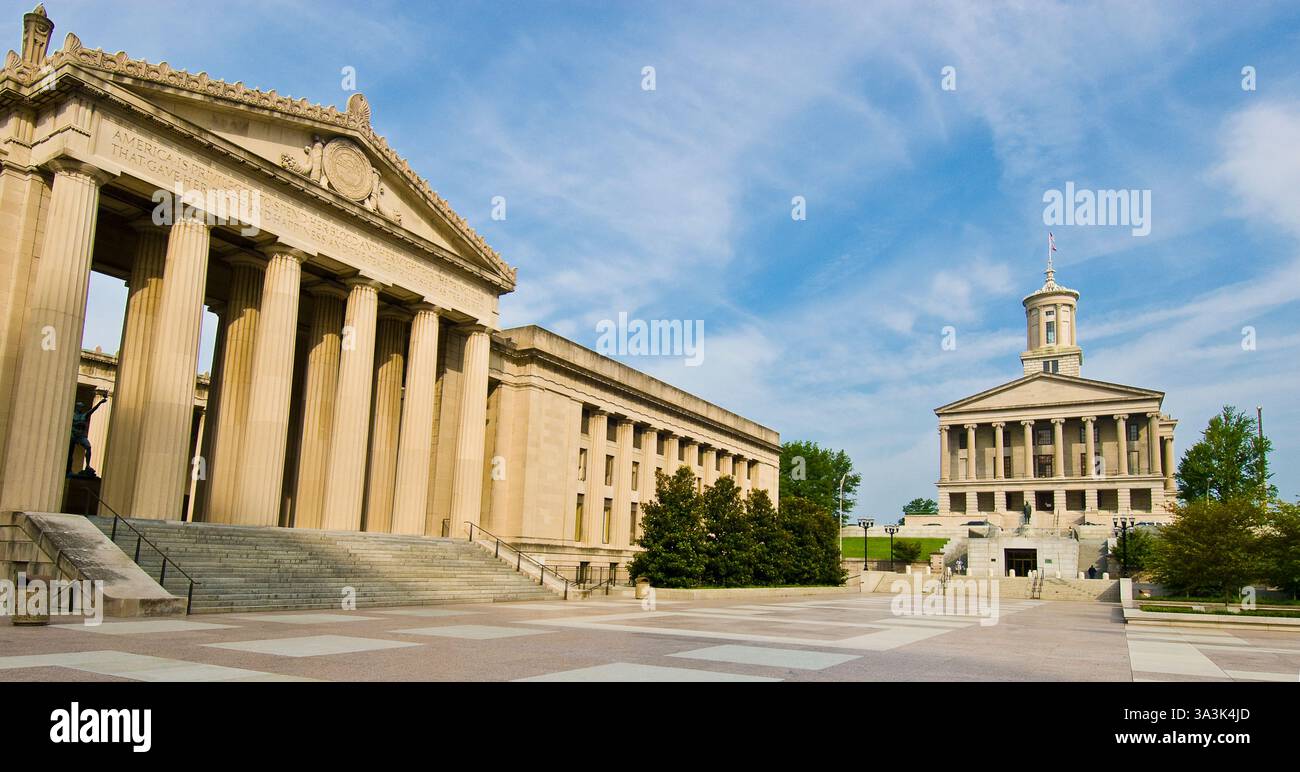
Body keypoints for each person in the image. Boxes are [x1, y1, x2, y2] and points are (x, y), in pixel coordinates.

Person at [67, 396, 107, 477]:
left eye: (81, 407)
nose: (80, 408)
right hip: (73, 435)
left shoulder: (84, 415)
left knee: (88, 447)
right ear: (76, 407)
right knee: (70, 453)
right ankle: (68, 469)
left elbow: (93, 410)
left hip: (80, 436)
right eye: (79, 407)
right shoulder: (72, 415)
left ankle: (87, 465)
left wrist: (100, 402)